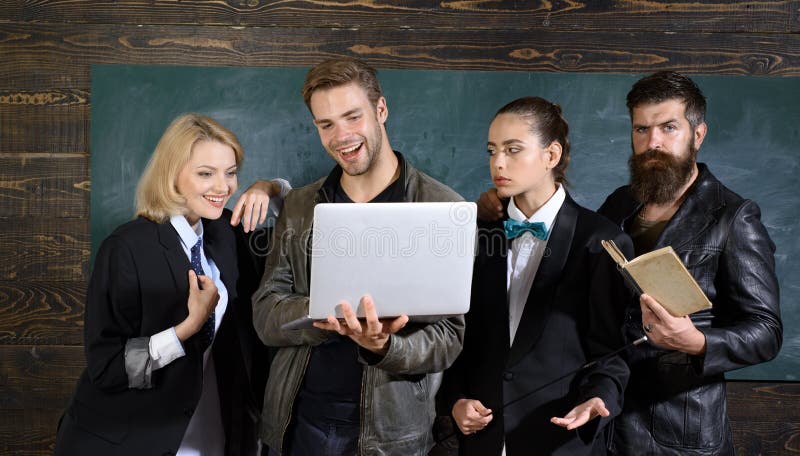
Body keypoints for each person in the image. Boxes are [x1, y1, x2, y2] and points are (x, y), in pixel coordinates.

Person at [478, 72, 783, 454]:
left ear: (698, 135)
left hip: (678, 427)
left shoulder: (734, 218)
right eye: (641, 129)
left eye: (668, 127)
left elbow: (767, 331)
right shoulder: (620, 203)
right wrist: (497, 208)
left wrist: (699, 342)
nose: (652, 142)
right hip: (603, 419)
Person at [251, 57, 465, 455]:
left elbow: (449, 339)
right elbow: (265, 316)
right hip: (298, 425)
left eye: (352, 117)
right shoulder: (299, 206)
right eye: (326, 124)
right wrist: (326, 317)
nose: (341, 136)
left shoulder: (441, 206)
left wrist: (384, 345)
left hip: (390, 438)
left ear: (380, 110)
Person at [54, 113, 286, 455]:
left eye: (231, 173)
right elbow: (107, 368)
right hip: (133, 438)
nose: (223, 188)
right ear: (172, 174)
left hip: (213, 432)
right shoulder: (125, 248)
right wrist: (185, 330)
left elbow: (296, 236)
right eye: (205, 174)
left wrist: (272, 188)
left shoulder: (226, 232)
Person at [442, 97, 632, 455]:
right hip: (480, 440)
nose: (498, 162)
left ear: (551, 156)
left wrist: (597, 397)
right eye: (492, 150)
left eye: (513, 150)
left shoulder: (600, 240)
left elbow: (612, 350)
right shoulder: (475, 232)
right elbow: (457, 334)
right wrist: (455, 400)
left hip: (557, 438)